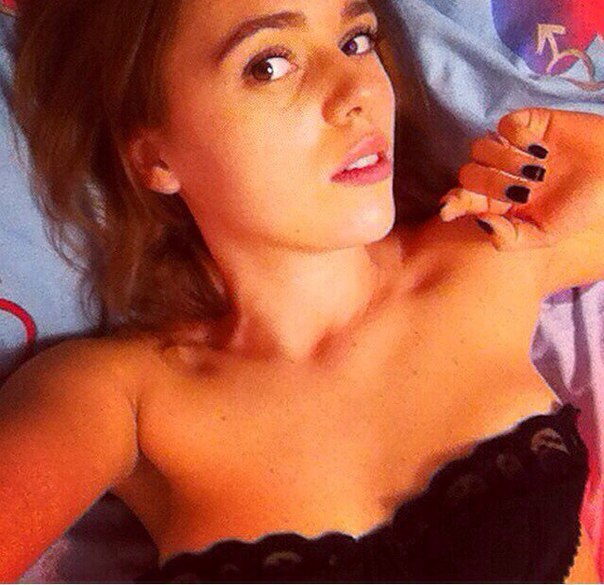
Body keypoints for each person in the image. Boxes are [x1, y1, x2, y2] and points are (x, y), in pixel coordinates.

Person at [1, 0, 603, 581]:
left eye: (355, 41)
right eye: (268, 65)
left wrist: (594, 152)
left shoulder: (493, 252)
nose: (357, 91)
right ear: (153, 156)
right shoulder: (119, 399)